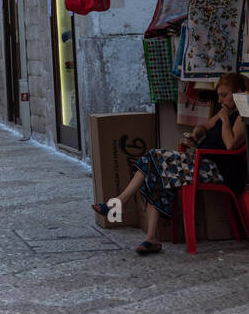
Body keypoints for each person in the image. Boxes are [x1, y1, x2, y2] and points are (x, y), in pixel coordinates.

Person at [91, 72, 247, 254]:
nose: (220, 100)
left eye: (224, 95)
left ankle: (120, 202)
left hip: (219, 170)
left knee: (154, 157)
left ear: (239, 92)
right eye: (219, 95)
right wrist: (197, 134)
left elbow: (230, 144)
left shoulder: (242, 115)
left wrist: (225, 120)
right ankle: (151, 238)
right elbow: (204, 127)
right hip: (202, 163)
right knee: (156, 173)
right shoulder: (224, 112)